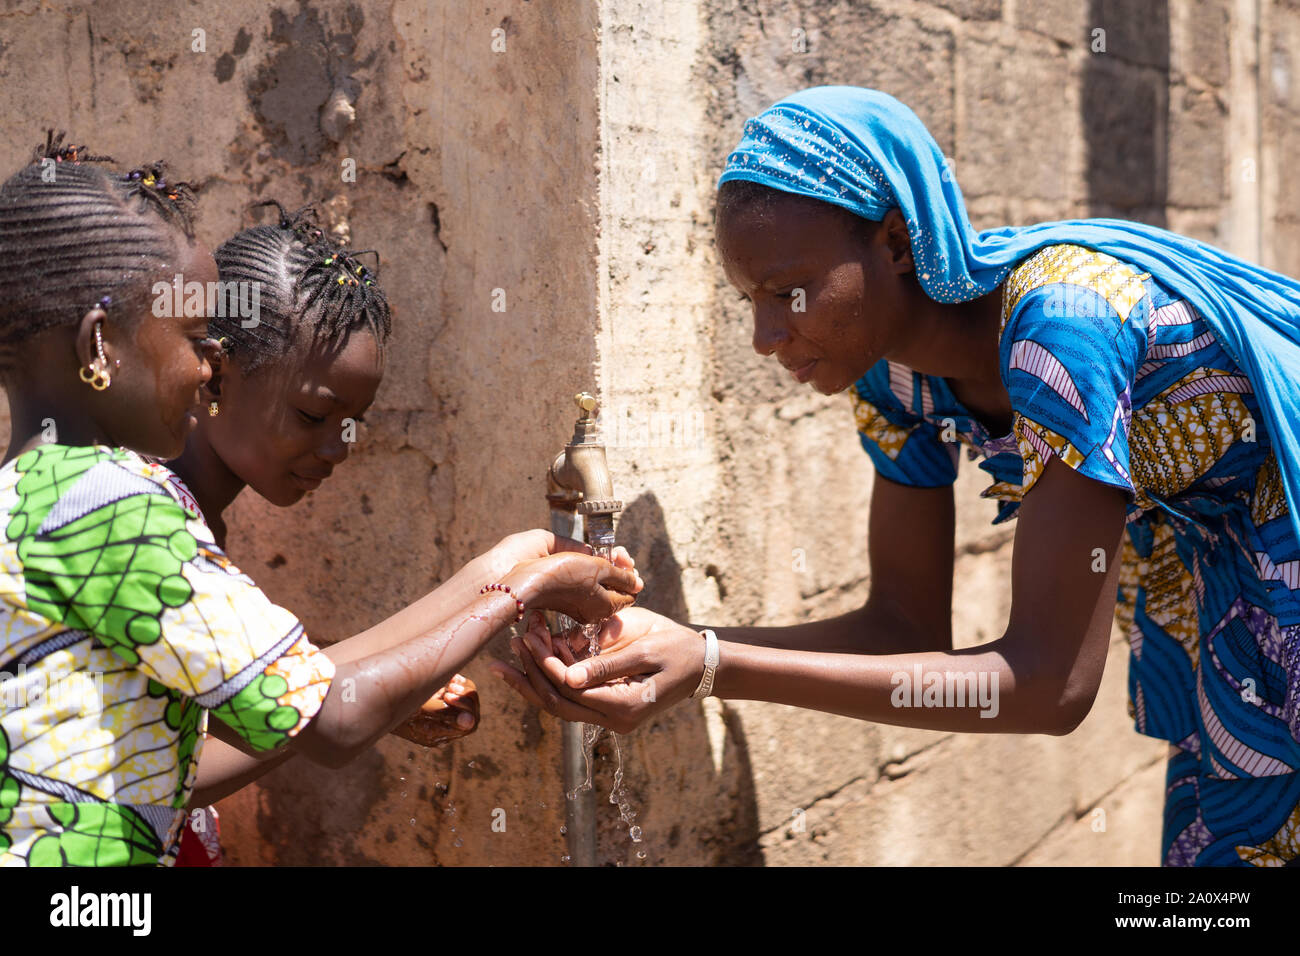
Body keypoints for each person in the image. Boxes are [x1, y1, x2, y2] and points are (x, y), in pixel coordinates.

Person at [495, 86, 1300, 867]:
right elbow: (902, 633)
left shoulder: (1066, 327)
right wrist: (682, 650)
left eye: (789, 292)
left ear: (895, 244)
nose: (766, 336)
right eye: (750, 300)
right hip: (1238, 619)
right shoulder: (895, 381)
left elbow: (1050, 686)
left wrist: (712, 665)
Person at [0, 138, 640, 865]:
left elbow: (274, 707)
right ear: (99, 349)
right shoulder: (121, 504)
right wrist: (520, 588)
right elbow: (331, 717)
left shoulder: (36, 495)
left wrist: (494, 569)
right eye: (194, 340)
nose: (206, 364)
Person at [167, 205, 477, 864]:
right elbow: (180, 776)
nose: (336, 450)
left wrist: (379, 685)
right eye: (313, 415)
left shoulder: (193, 511)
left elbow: (207, 702)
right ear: (218, 374)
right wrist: (514, 577)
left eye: (352, 424)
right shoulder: (153, 514)